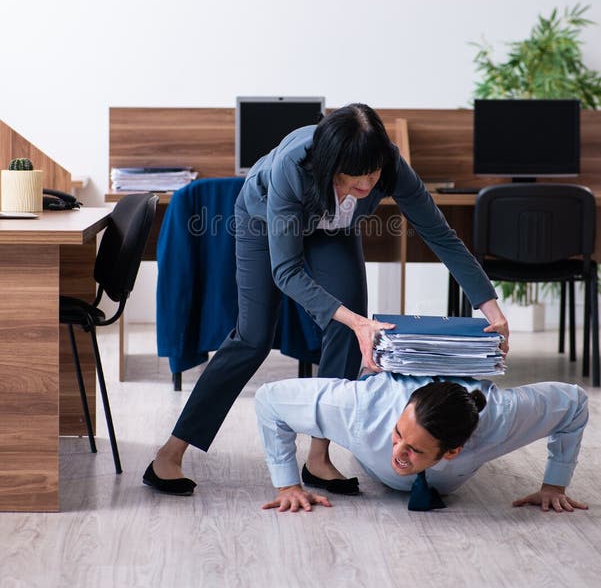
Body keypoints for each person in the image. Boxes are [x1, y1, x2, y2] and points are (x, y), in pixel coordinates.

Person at [144, 103, 508, 497]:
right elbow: (286, 271)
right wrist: (356, 320)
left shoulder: (390, 165)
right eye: (356, 176)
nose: (368, 186)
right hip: (262, 221)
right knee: (252, 338)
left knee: (347, 333)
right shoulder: (291, 169)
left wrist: (491, 309)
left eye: (374, 175)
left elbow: (441, 235)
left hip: (334, 228)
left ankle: (319, 457)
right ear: (330, 163)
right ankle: (170, 453)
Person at [255, 373, 589, 513]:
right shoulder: (360, 409)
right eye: (399, 434)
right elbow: (269, 399)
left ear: (453, 451)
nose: (397, 451)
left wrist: (554, 486)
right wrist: (286, 485)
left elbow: (574, 403)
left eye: (414, 450)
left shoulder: (500, 421)